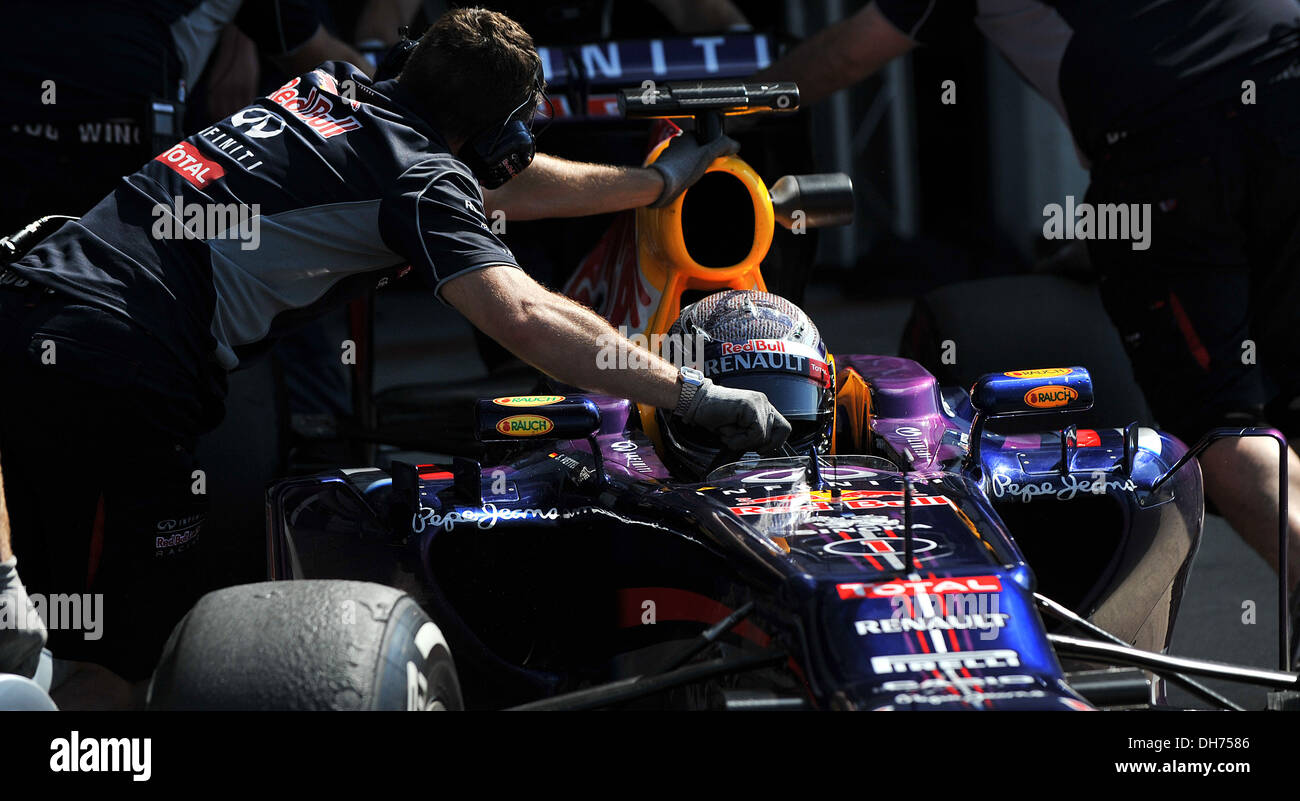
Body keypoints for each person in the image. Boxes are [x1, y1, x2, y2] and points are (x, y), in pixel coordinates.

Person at [0, 7, 790, 680]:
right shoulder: (421, 180)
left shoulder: (326, 90)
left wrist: (653, 184)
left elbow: (487, 183)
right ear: (499, 135)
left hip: (31, 306)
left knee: (41, 631)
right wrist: (693, 392)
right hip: (117, 370)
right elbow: (523, 315)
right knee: (118, 664)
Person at [755, 0, 1300, 651]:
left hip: (1175, 133)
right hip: (1283, 78)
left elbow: (850, 51)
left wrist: (722, 110)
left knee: (1224, 426)